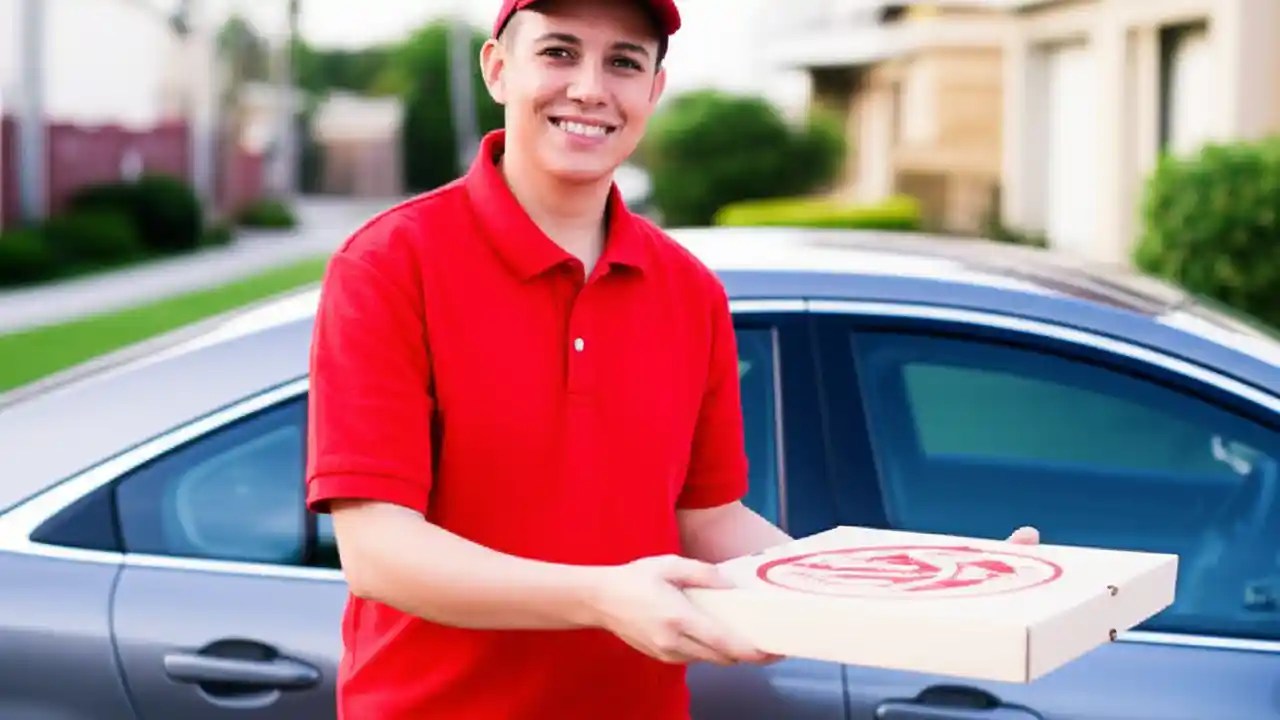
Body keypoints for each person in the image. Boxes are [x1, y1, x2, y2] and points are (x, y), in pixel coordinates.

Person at [304, 0, 1039, 717]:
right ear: (498, 69)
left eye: (624, 62)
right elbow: (378, 551)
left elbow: (711, 522)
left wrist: (939, 591)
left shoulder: (689, 292)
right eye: (559, 52)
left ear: (653, 91)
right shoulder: (390, 266)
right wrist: (599, 597)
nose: (591, 87)